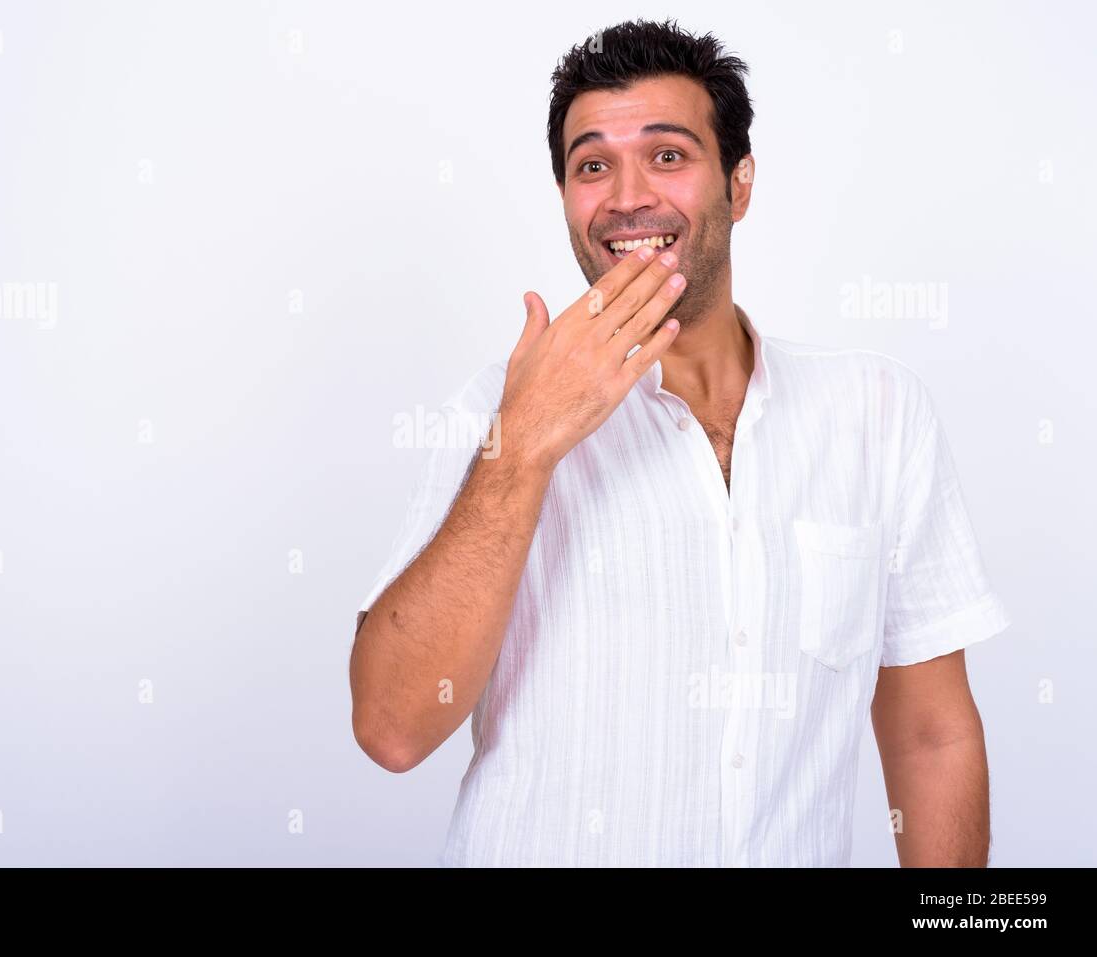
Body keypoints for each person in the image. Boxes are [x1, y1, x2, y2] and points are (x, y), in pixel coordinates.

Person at [349, 18, 1010, 867]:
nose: (628, 197)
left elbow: (930, 734)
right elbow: (392, 726)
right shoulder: (495, 412)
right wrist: (523, 451)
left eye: (667, 155)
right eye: (593, 165)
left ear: (739, 185)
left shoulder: (877, 414)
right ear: (565, 198)